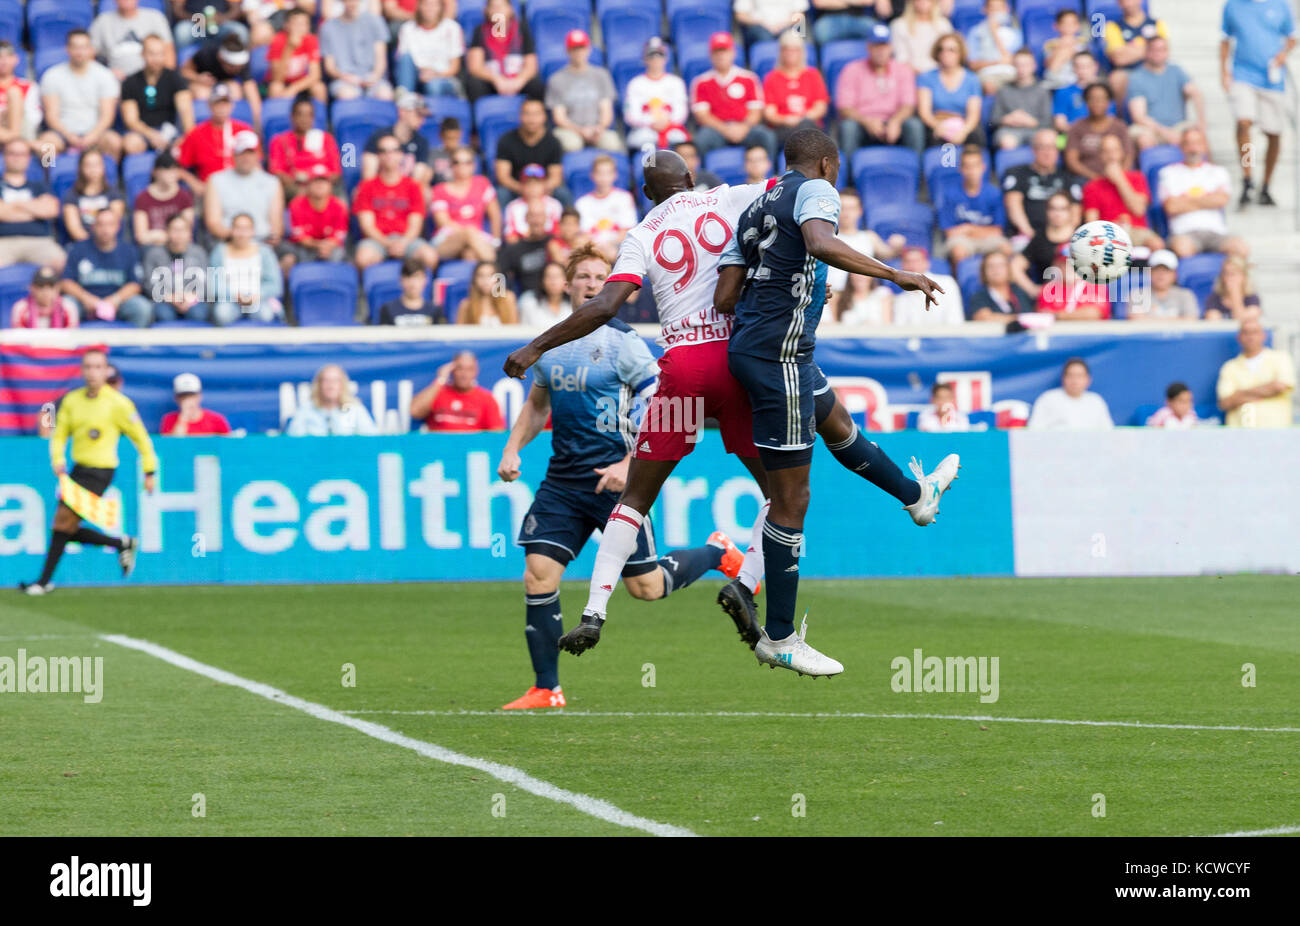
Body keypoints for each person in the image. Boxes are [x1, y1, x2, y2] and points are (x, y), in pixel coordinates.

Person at [502, 144, 955, 666]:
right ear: (692, 177)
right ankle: (750, 583)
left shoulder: (641, 234)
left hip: (682, 372)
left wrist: (536, 346)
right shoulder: (734, 196)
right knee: (782, 497)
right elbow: (789, 213)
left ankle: (595, 611)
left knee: (635, 498)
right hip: (746, 363)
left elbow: (605, 305)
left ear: (646, 194)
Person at [716, 129, 950, 675]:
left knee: (839, 423)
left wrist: (776, 282)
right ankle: (777, 637)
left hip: (762, 349)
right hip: (779, 358)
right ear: (826, 162)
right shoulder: (817, 190)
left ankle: (917, 495)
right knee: (791, 500)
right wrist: (897, 274)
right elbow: (820, 243)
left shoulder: (756, 206)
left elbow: (726, 296)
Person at [493, 225, 748, 712]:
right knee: (538, 575)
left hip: (617, 485)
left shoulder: (626, 344)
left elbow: (667, 408)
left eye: (600, 277)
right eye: (583, 277)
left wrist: (629, 463)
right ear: (567, 285)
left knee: (646, 589)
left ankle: (717, 552)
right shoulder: (551, 345)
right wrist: (512, 450)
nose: (592, 284)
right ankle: (547, 688)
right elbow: (536, 406)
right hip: (563, 482)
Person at [19, 348, 156, 595]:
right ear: (83, 371)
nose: (93, 373)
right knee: (63, 528)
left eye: (98, 367)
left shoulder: (118, 404)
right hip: (77, 469)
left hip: (101, 471)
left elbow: (142, 439)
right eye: (88, 367)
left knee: (63, 521)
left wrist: (150, 471)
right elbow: (59, 434)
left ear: (106, 372)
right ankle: (121, 543)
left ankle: (44, 582)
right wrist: (58, 460)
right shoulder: (73, 400)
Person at [1221, 0, 1295, 206]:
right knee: (1244, 122)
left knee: (1274, 133)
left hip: (1271, 79)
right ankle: (1247, 177)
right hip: (1243, 74)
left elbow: (1291, 37)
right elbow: (1224, 39)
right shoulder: (1233, 5)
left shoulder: (1280, 5)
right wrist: (1224, 72)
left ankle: (1266, 184)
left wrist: (1282, 55)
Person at [1157, 127, 1249, 260]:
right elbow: (1171, 207)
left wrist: (1185, 200)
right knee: (1182, 249)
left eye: (1197, 143)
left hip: (1216, 232)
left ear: (1204, 146)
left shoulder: (1218, 171)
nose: (1193, 148)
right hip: (1184, 232)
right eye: (1188, 143)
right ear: (1181, 147)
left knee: (1241, 248)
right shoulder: (1168, 173)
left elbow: (1221, 200)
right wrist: (1207, 200)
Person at [353, 133, 437, 271]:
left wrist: (402, 243)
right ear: (378, 156)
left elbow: (415, 225)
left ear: (401, 154)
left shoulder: (413, 186)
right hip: (377, 240)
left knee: (430, 256)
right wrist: (387, 244)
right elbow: (367, 226)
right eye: (383, 151)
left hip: (406, 239)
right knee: (363, 258)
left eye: (394, 150)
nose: (389, 155)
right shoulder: (366, 186)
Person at [835, 23, 923, 155]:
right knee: (849, 127)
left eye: (884, 46)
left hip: (893, 122)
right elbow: (845, 108)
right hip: (863, 123)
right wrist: (867, 121)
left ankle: (919, 172)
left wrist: (896, 121)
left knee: (914, 125)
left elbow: (908, 105)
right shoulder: (852, 69)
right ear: (868, 47)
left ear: (891, 47)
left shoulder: (902, 70)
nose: (881, 51)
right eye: (876, 46)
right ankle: (848, 173)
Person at [689, 32, 776, 161]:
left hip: (745, 128)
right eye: (717, 52)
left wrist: (743, 127)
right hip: (717, 130)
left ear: (733, 53)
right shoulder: (701, 82)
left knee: (765, 136)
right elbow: (702, 115)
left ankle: (774, 174)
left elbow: (756, 111)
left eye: (724, 51)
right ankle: (704, 178)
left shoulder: (748, 78)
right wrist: (725, 129)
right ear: (711, 55)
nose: (721, 56)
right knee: (703, 138)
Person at [38, 30, 123, 159]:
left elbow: (107, 116)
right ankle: (48, 177)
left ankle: (110, 177)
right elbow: (51, 117)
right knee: (46, 146)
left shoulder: (105, 76)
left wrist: (92, 136)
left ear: (91, 50)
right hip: (62, 134)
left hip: (96, 133)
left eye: (84, 47)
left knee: (114, 142)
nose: (79, 52)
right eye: (75, 47)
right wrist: (69, 136)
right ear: (67, 49)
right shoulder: (52, 75)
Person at [61, 211, 152, 327]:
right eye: (101, 224)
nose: (105, 229)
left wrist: (115, 300)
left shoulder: (128, 251)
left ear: (118, 226)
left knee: (142, 307)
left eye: (110, 224)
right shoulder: (78, 249)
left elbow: (135, 284)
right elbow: (66, 282)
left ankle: (137, 344)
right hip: (85, 301)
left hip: (118, 302)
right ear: (93, 227)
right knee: (66, 304)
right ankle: (70, 344)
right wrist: (87, 299)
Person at [1081, 133, 1164, 252]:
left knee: (1157, 244)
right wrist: (1110, 227)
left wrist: (1119, 180)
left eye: (1115, 150)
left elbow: (1139, 210)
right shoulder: (1091, 186)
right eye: (1106, 151)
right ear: (1100, 155)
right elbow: (1091, 223)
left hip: (1136, 231)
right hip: (1107, 234)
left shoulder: (1137, 177)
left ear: (1121, 153)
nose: (1111, 155)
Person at [546, 29, 621, 154]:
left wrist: (599, 128)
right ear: (568, 51)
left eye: (581, 48)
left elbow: (606, 111)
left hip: (597, 128)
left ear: (589, 49)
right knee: (572, 144)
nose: (578, 52)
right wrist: (580, 130)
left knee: (612, 143)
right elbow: (559, 117)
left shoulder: (601, 75)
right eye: (574, 49)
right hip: (570, 130)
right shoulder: (557, 79)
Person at [1002, 128, 1083, 241]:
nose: (1047, 152)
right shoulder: (1017, 174)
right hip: (1027, 236)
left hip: (1062, 237)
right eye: (1042, 147)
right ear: (1033, 150)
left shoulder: (1068, 178)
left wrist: (1063, 236)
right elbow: (1013, 205)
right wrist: (1031, 234)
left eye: (1052, 147)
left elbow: (1075, 213)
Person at [1126, 36, 1205, 151]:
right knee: (1145, 139)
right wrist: (1166, 133)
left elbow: (1195, 93)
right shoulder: (1137, 77)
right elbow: (1139, 117)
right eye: (1155, 49)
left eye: (1163, 49)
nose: (1158, 53)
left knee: (1197, 135)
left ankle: (1207, 168)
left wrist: (1201, 123)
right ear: (1146, 52)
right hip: (1151, 129)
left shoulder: (1176, 71)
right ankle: (1150, 168)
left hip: (1179, 126)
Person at [205, 131, 284, 245]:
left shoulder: (272, 182)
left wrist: (273, 238)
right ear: (234, 155)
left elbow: (276, 223)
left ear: (257, 155)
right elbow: (213, 223)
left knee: (288, 256)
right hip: (228, 241)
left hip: (263, 243)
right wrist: (241, 239)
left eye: (250, 153)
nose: (246, 157)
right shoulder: (216, 180)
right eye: (241, 153)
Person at [121, 34, 193, 155]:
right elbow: (131, 120)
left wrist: (186, 137)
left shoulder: (175, 78)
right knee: (130, 143)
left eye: (160, 54)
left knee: (187, 144)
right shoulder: (130, 82)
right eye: (151, 53)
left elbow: (185, 112)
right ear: (142, 54)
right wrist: (151, 135)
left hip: (171, 131)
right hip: (143, 133)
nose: (156, 58)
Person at [1216, 318, 1295, 428]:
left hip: (1276, 431)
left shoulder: (1280, 358)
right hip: (1239, 432)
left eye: (1255, 332)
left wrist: (1240, 393)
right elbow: (1225, 402)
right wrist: (1267, 389)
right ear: (1239, 337)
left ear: (1263, 335)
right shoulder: (1230, 367)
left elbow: (1280, 386)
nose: (1250, 337)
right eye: (1246, 333)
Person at [0, 140, 65, 270]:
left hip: (39, 242)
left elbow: (51, 210)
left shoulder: (39, 185)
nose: (17, 158)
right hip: (4, 242)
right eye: (12, 153)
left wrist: (12, 206)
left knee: (63, 264)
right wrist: (34, 209)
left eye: (21, 154)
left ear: (28, 158)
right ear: (4, 156)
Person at [209, 212, 284, 324]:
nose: (242, 233)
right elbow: (213, 283)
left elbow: (275, 285)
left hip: (258, 299)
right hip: (229, 300)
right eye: (238, 228)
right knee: (222, 314)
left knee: (265, 315)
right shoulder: (219, 252)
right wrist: (235, 295)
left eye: (246, 228)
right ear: (231, 230)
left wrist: (256, 296)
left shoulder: (265, 252)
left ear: (252, 231)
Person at [938, 144, 1007, 264]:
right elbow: (949, 232)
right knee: (958, 251)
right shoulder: (950, 194)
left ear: (983, 167)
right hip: (962, 241)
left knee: (1005, 248)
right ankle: (958, 282)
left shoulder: (994, 193)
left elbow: (997, 231)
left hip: (987, 240)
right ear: (961, 169)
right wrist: (979, 231)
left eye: (975, 166)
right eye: (967, 167)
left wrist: (968, 228)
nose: (972, 171)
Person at [430, 146, 501, 262]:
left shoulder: (482, 183)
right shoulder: (439, 190)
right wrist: (469, 233)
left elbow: (495, 214)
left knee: (470, 255)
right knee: (469, 233)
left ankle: (491, 275)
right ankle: (498, 272)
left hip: (476, 239)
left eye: (467, 162)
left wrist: (497, 240)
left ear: (473, 165)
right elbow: (443, 222)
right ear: (451, 165)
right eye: (457, 162)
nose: (462, 166)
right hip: (446, 239)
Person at [463, 0, 543, 102]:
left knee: (536, 85)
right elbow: (475, 67)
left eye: (501, 7)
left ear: (510, 9)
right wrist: (497, 79)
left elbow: (531, 66)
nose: (498, 11)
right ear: (487, 11)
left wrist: (519, 81)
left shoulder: (522, 29)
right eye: (494, 7)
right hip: (492, 80)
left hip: (517, 78)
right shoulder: (479, 31)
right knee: (474, 84)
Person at [762, 32, 829, 149]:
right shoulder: (772, 78)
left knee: (807, 126)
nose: (790, 54)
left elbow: (820, 107)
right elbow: (770, 113)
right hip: (783, 129)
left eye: (795, 50)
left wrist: (802, 118)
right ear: (781, 52)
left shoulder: (813, 75)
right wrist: (785, 120)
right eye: (786, 49)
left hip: (809, 126)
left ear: (801, 52)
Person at [175, 84, 254, 183]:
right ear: (209, 105)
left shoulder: (244, 130)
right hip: (209, 189)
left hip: (241, 186)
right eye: (217, 103)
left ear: (232, 105)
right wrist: (195, 184)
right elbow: (179, 166)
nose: (221, 108)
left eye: (225, 103)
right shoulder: (196, 134)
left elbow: (256, 164)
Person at [183, 32, 262, 130]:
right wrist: (198, 78)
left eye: (239, 67)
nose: (237, 70)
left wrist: (258, 120)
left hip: (226, 85)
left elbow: (250, 88)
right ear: (221, 58)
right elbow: (183, 71)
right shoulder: (206, 54)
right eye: (232, 66)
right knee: (201, 93)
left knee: (235, 90)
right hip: (203, 85)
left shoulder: (241, 64)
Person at [917, 33, 985, 147]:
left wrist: (963, 131)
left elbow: (973, 115)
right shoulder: (926, 78)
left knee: (976, 135)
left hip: (963, 125)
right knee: (937, 140)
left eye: (951, 50)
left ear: (960, 53)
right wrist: (938, 126)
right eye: (941, 50)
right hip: (937, 124)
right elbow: (925, 113)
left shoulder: (972, 79)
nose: (945, 54)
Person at [494, 98, 565, 206]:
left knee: (563, 194)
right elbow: (503, 177)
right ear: (520, 116)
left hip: (543, 189)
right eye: (527, 114)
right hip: (516, 189)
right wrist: (524, 189)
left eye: (536, 114)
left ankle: (566, 222)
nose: (532, 119)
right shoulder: (506, 140)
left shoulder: (553, 142)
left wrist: (539, 190)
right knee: (501, 193)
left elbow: (555, 177)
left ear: (544, 117)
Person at [624, 38, 690, 153]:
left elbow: (681, 112)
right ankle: (648, 168)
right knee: (642, 139)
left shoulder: (676, 82)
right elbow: (630, 115)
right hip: (645, 129)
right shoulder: (635, 83)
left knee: (680, 139)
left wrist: (666, 121)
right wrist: (651, 121)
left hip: (671, 128)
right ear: (645, 58)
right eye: (651, 55)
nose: (655, 59)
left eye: (659, 55)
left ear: (666, 58)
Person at [143, 212, 212, 323]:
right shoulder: (154, 254)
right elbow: (148, 284)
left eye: (183, 230)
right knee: (164, 315)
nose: (179, 234)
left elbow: (206, 282)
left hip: (193, 300)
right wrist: (170, 298)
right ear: (167, 232)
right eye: (175, 230)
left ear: (189, 233)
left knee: (198, 314)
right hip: (164, 300)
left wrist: (190, 297)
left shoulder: (199, 253)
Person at [269, 96, 343, 197]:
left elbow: (336, 172)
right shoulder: (279, 140)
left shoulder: (326, 138)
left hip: (322, 187)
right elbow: (276, 171)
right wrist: (297, 182)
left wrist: (318, 185)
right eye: (300, 114)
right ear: (292, 116)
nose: (305, 119)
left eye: (309, 115)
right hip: (294, 188)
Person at [411, 351, 505, 430]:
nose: (464, 374)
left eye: (469, 369)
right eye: (460, 368)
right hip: (439, 448)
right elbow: (415, 411)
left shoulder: (486, 399)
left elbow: (496, 434)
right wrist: (440, 380)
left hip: (471, 449)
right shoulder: (438, 393)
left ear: (476, 371)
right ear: (452, 370)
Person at [320, 0, 394, 101]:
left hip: (373, 79)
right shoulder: (328, 27)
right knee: (347, 94)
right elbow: (330, 67)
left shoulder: (375, 21)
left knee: (385, 94)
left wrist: (375, 77)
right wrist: (346, 77)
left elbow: (381, 58)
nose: (351, 3)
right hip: (344, 81)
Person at [362, 90, 434, 189]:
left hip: (405, 195)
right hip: (379, 191)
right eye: (418, 114)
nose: (422, 120)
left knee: (426, 181)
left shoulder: (421, 142)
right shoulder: (379, 136)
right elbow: (368, 177)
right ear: (402, 112)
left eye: (423, 116)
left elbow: (416, 181)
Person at [1064, 83, 1135, 181]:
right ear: (1086, 102)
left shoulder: (1119, 126)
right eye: (1092, 98)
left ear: (1109, 102)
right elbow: (1072, 161)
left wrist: (1118, 177)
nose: (1097, 102)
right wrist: (1096, 179)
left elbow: (1128, 156)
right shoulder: (1077, 127)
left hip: (1118, 180)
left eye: (1102, 98)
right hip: (1086, 180)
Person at [284, 165, 349, 272]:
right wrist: (319, 245)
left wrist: (326, 246)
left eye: (323, 181)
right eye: (315, 181)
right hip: (305, 247)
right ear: (308, 185)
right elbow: (300, 237)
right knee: (296, 255)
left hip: (329, 247)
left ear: (330, 185)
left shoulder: (339, 206)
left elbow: (338, 236)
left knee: (338, 254)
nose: (320, 185)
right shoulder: (297, 204)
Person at [394, 0, 464, 98]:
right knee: (405, 58)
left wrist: (435, 74)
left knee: (433, 85)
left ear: (441, 7)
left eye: (434, 5)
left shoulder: (452, 28)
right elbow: (403, 61)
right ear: (419, 6)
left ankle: (434, 110)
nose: (429, 8)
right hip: (417, 75)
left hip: (442, 77)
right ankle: (406, 100)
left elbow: (454, 67)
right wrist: (423, 71)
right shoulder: (407, 28)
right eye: (426, 4)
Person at [91, 0, 174, 82]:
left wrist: (164, 80)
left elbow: (168, 52)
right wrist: (107, 73)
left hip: (151, 78)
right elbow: (87, 55)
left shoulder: (155, 17)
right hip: (115, 80)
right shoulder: (102, 21)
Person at [575, 155, 638, 261]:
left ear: (615, 175)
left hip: (617, 246)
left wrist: (609, 245)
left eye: (608, 173)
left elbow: (627, 231)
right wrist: (600, 247)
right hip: (592, 247)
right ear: (592, 175)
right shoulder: (582, 203)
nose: (604, 178)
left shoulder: (624, 198)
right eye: (600, 173)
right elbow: (584, 234)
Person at [286, 364, 380, 435]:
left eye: (335, 381)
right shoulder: (306, 409)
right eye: (326, 381)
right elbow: (293, 442)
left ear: (342, 385)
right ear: (319, 385)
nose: (331, 385)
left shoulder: (354, 409)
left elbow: (371, 439)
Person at [1103, 0, 1168, 101]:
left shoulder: (1157, 24)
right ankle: (1121, 116)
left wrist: (1129, 49)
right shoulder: (1112, 26)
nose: (1128, 3)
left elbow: (1162, 51)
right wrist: (1147, 47)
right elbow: (1118, 58)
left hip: (1152, 68)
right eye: (1123, 1)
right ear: (1119, 3)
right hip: (1128, 71)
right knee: (1117, 78)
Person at [1013, 191, 1077, 290]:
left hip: (1079, 295)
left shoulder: (1082, 236)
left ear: (1070, 211)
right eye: (1053, 209)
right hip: (1050, 297)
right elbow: (1015, 266)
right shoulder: (1040, 238)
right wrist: (1033, 290)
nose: (1057, 214)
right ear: (1046, 211)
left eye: (1063, 209)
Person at [1026, 357, 1114, 430]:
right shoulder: (1048, 399)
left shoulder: (1096, 401)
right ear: (1063, 378)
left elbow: (1107, 432)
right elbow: (1034, 430)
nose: (1075, 381)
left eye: (1079, 376)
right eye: (1071, 375)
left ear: (1088, 380)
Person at [991, 48, 1052, 150]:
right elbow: (994, 119)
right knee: (1007, 141)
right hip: (1010, 131)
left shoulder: (1042, 90)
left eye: (1025, 65)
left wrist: (1031, 121)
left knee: (1048, 138)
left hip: (1036, 130)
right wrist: (1007, 119)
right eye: (1018, 65)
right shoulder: (1004, 90)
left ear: (1034, 66)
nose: (1021, 69)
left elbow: (1048, 121)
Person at [132, 150, 195, 247]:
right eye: (166, 169)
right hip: (153, 249)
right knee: (157, 256)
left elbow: (187, 233)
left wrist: (156, 235)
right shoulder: (143, 198)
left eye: (174, 169)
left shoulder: (184, 196)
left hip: (177, 248)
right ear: (155, 172)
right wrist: (172, 236)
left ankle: (178, 263)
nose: (170, 174)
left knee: (184, 258)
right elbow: (141, 236)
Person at [61, 150, 126, 244]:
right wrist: (92, 247)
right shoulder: (72, 195)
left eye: (97, 165)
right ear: (81, 168)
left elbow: (114, 224)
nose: (93, 169)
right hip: (82, 245)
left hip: (108, 243)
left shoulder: (114, 194)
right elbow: (75, 229)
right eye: (88, 165)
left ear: (103, 167)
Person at [892, 245, 964, 325]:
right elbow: (899, 328)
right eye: (907, 261)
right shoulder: (901, 299)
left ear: (926, 263)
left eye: (916, 261)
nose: (912, 266)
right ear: (902, 266)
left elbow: (955, 317)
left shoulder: (946, 283)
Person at [267, 8, 327, 102]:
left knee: (319, 87)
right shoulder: (278, 40)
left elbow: (315, 75)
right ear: (286, 25)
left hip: (301, 83)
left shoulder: (311, 40)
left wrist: (294, 89)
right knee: (275, 88)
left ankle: (320, 115)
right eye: (296, 24)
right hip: (283, 82)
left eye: (304, 24)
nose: (300, 28)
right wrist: (289, 48)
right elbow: (277, 77)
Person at [1035, 244, 1110, 320]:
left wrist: (1058, 316)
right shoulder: (1048, 289)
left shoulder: (1095, 285)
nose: (1069, 267)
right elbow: (1042, 315)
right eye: (1065, 263)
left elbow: (1095, 313)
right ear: (1057, 265)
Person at [965, 0, 1021, 94]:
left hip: (1010, 73)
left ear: (1006, 9)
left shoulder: (1014, 33)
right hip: (987, 74)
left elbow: (1011, 59)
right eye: (992, 8)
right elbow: (972, 64)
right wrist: (994, 62)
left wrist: (994, 33)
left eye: (999, 8)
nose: (996, 12)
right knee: (989, 86)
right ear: (985, 10)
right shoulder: (975, 32)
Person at [1128, 249, 1198, 321]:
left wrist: (1150, 320)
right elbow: (1136, 320)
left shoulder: (1186, 294)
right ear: (1149, 272)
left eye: (1166, 270)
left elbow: (1191, 320)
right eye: (1156, 270)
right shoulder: (1137, 294)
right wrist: (1176, 320)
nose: (1161, 274)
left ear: (1174, 274)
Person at [498, 202, 552, 294]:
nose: (536, 220)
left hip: (558, 298)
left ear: (546, 218)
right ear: (526, 219)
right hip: (530, 297)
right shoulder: (514, 248)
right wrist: (499, 296)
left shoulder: (555, 242)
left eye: (540, 216)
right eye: (532, 216)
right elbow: (498, 273)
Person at [890, 0, 954, 75]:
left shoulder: (943, 25)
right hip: (909, 75)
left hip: (939, 75)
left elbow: (948, 55)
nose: (923, 1)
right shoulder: (899, 25)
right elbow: (901, 58)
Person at [502, 164, 562, 242]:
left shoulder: (554, 205)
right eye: (528, 183)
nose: (533, 187)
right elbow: (510, 238)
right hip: (523, 247)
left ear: (544, 185)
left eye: (537, 183)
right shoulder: (512, 207)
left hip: (548, 246)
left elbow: (558, 234)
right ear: (522, 185)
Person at [378, 256, 445, 326]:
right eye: (408, 277)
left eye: (417, 277)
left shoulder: (435, 310)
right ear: (401, 280)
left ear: (425, 280)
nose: (412, 283)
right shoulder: (388, 309)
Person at [967, 250, 1031, 320]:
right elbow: (984, 317)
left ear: (1009, 269)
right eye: (991, 266)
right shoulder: (979, 296)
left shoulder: (1019, 292)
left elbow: (1028, 316)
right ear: (984, 271)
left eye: (1000, 265)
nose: (996, 269)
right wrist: (1018, 319)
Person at [1052, 52, 1109, 132]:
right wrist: (1080, 132)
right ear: (1073, 68)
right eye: (1079, 66)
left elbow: (1110, 119)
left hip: (1101, 134)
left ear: (1095, 66)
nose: (1083, 70)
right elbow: (1060, 123)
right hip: (1072, 135)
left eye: (1086, 66)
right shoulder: (1063, 92)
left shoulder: (1105, 91)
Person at [161, 373, 232, 435]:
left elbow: (227, 445)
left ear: (199, 396)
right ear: (176, 398)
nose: (188, 400)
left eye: (191, 395)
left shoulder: (217, 420)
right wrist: (183, 419)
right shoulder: (169, 420)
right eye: (183, 396)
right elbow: (173, 445)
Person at [10, 267, 79, 329]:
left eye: (51, 286)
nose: (46, 292)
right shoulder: (20, 308)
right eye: (41, 286)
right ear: (32, 288)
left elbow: (71, 336)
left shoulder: (68, 307)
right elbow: (19, 338)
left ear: (58, 288)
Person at [457, 261, 518, 325]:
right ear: (475, 279)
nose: (485, 281)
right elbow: (460, 332)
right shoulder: (466, 305)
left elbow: (514, 328)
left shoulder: (508, 298)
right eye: (481, 276)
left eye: (490, 275)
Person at [1042, 7, 1089, 90]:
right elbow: (1050, 68)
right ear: (1056, 26)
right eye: (1065, 23)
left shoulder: (1083, 43)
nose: (1069, 26)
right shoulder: (1050, 45)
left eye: (1073, 23)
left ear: (1078, 26)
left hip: (1079, 82)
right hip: (1057, 82)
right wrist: (1062, 48)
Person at [1203, 256, 1262, 321]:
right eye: (1226, 273)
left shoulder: (1252, 298)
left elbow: (1242, 319)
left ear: (1244, 277)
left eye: (1233, 274)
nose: (1230, 278)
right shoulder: (1214, 298)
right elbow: (1213, 321)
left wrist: (1235, 294)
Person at [824, 272, 892, 326]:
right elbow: (834, 325)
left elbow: (887, 324)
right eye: (856, 273)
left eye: (864, 273)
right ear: (850, 276)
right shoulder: (838, 299)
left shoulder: (882, 295)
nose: (860, 277)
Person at [811, 0, 891, 46]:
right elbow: (819, 3)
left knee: (878, 34)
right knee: (820, 33)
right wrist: (853, 2)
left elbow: (867, 1)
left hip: (858, 18)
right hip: (830, 19)